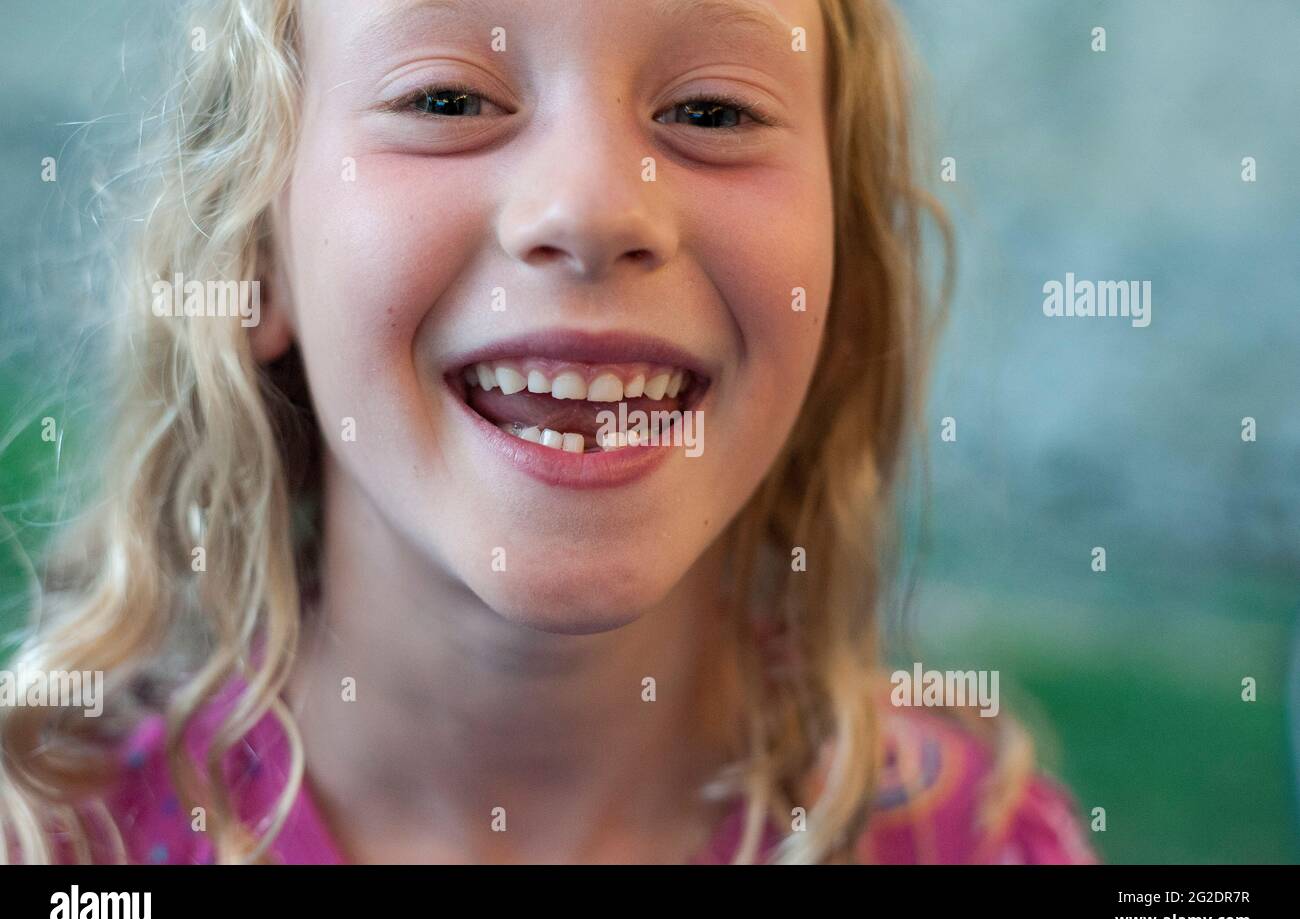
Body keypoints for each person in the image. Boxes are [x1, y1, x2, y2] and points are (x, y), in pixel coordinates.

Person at [0, 0, 1097, 865]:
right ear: (257, 255)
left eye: (712, 112)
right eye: (444, 99)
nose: (590, 209)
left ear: (839, 269)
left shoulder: (970, 844)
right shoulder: (55, 840)